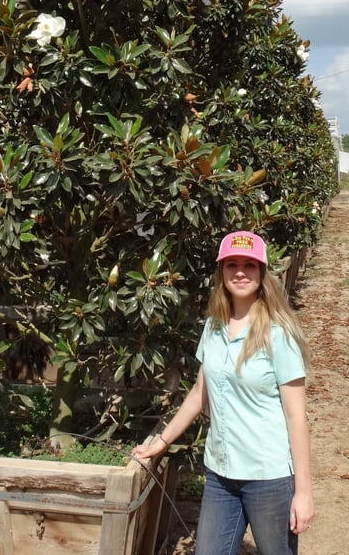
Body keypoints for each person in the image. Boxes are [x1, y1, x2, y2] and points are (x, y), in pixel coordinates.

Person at [131, 230, 314, 555]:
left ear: (262, 272)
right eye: (232, 265)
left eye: (249, 265)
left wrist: (303, 492)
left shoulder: (278, 334)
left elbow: (296, 416)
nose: (240, 272)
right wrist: (161, 441)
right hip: (221, 474)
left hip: (268, 477)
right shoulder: (214, 326)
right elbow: (199, 392)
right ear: (222, 272)